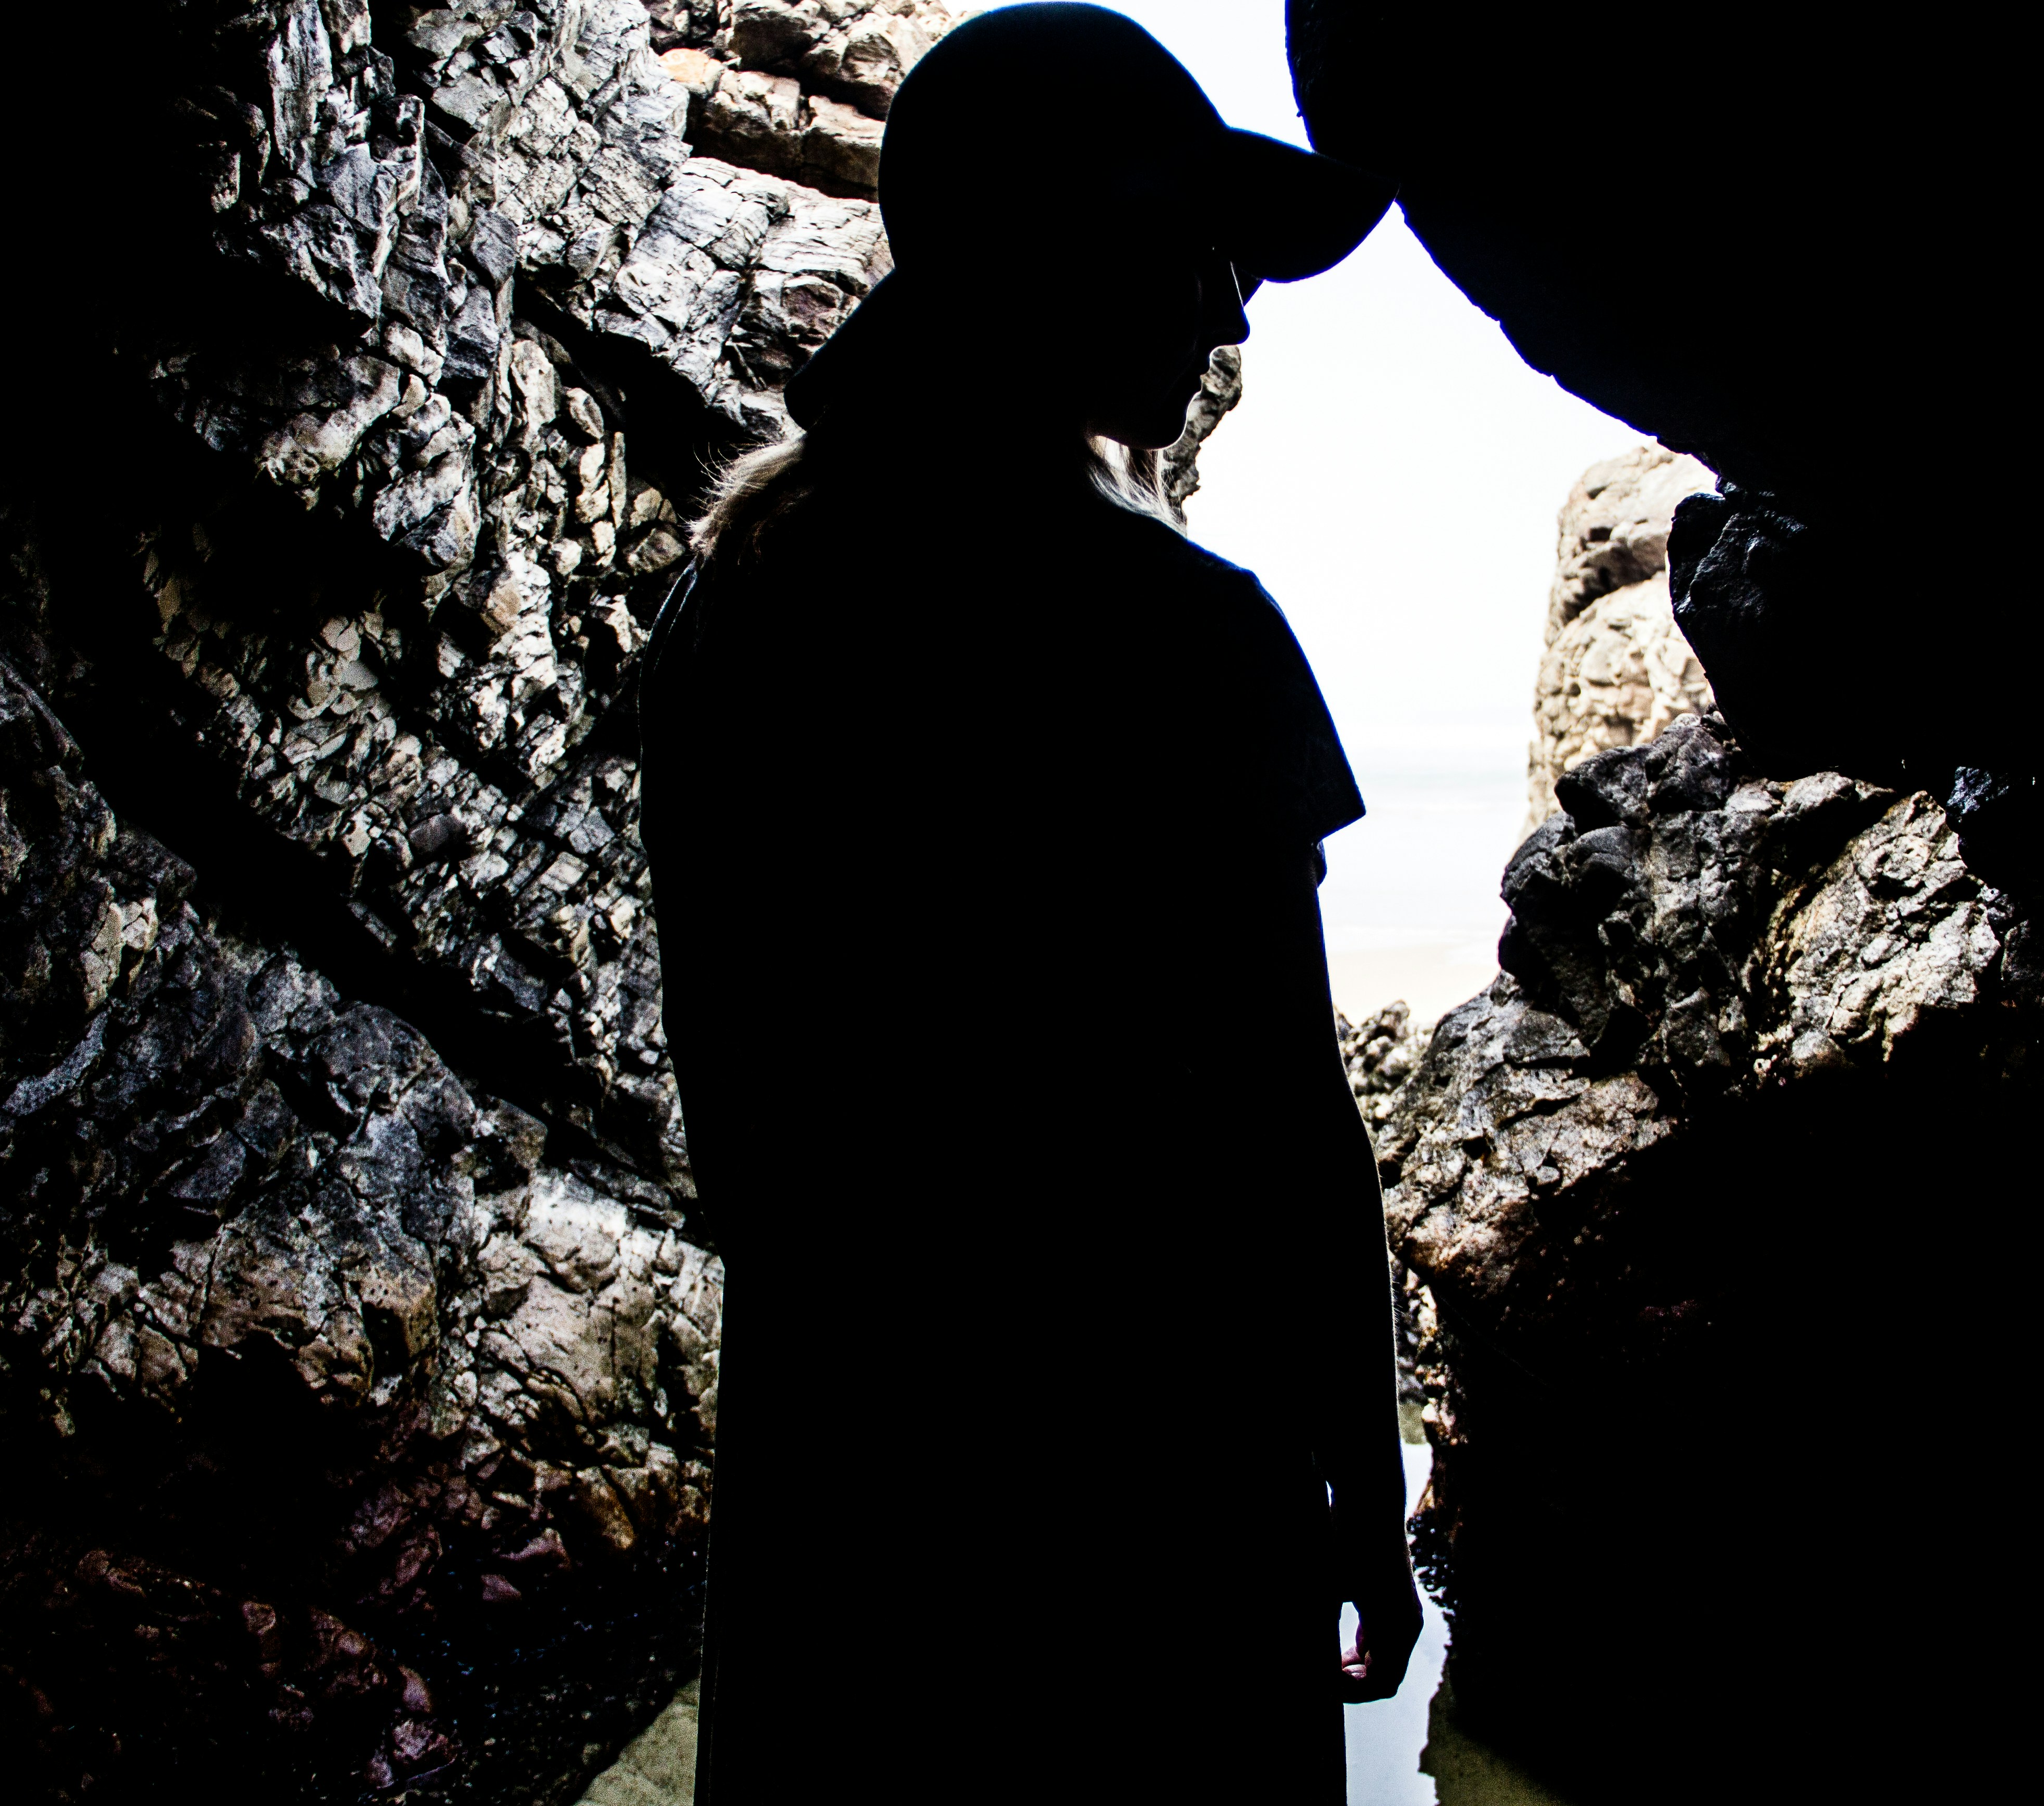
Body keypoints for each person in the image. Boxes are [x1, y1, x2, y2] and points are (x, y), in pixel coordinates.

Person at [638, 8, 1417, 1798]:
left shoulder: (731, 620)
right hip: (1154, 1538)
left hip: (850, 1540)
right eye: (1203, 255)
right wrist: (1361, 1498)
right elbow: (1293, 1129)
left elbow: (747, 1139)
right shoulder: (1183, 636)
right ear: (1079, 258)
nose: (1231, 312)